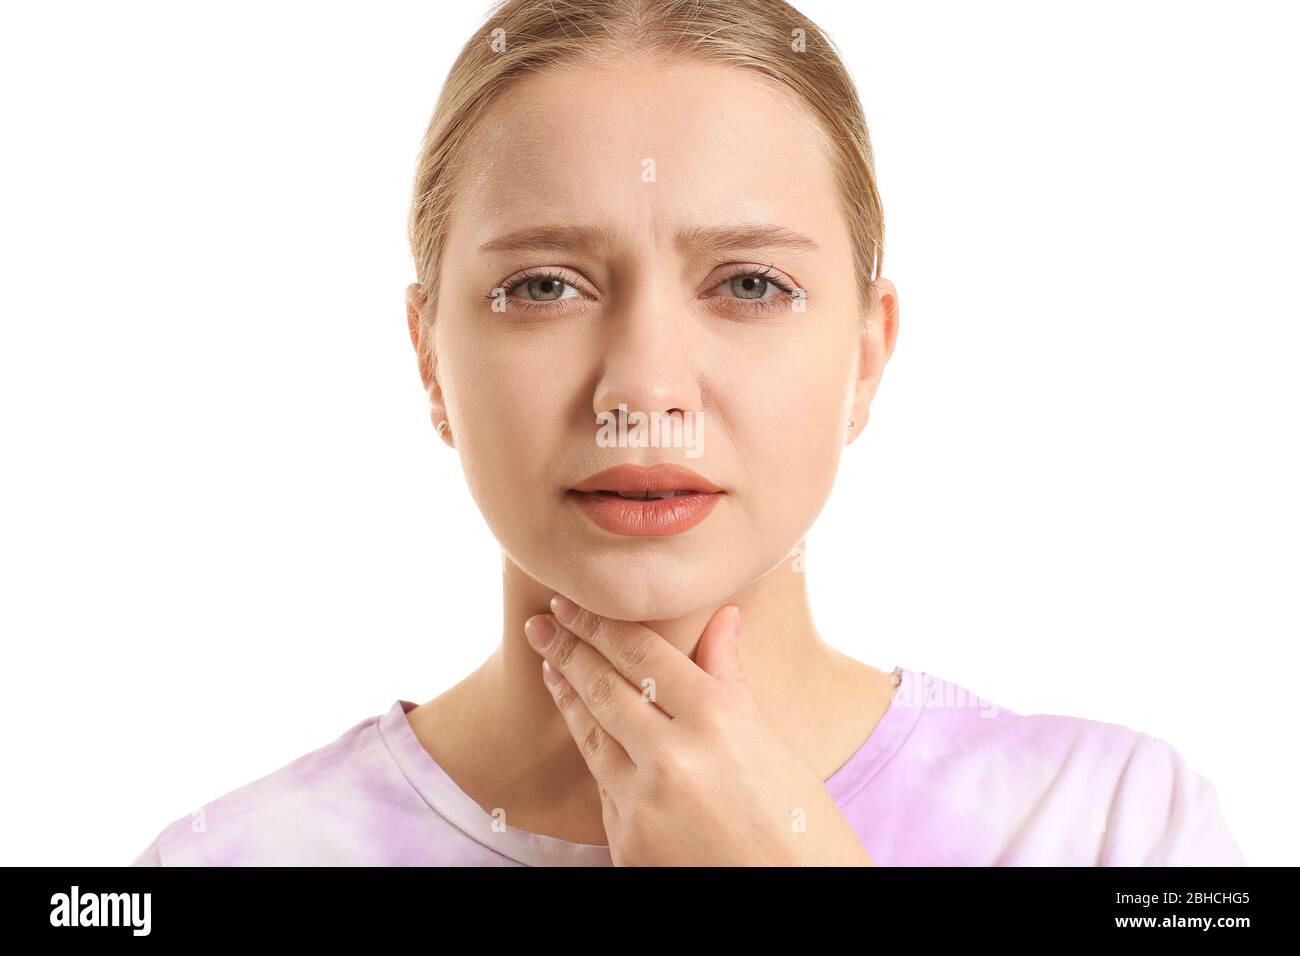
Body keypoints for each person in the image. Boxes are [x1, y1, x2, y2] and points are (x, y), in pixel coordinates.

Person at [130, 0, 1245, 866]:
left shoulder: (1116, 827)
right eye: (544, 285)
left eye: (749, 282)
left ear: (867, 351)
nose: (644, 390)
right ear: (428, 354)